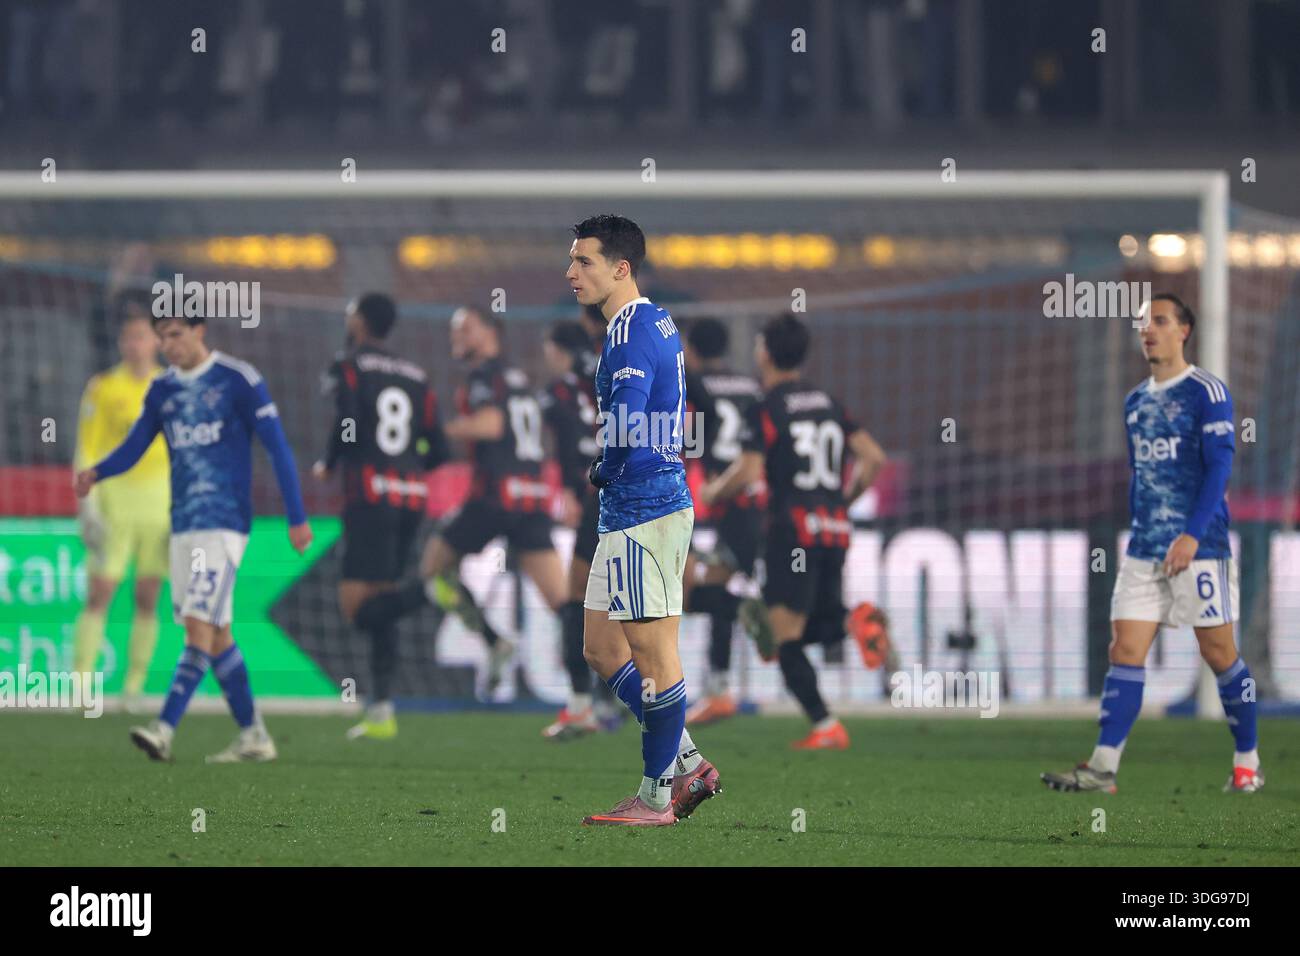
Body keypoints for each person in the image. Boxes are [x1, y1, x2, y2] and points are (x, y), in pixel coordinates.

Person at [1042, 294, 1260, 794]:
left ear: (1184, 330)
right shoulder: (1135, 400)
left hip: (1199, 547)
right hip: (1145, 549)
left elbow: (1219, 469)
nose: (1148, 330)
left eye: (1160, 321)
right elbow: (1142, 474)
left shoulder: (1207, 391)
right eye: (1143, 322)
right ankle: (1103, 767)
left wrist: (1191, 534)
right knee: (1125, 648)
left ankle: (1247, 760)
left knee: (1220, 653)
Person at [74, 313, 312, 763]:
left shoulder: (238, 380)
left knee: (199, 627)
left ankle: (163, 730)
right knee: (217, 632)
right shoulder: (163, 390)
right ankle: (254, 735)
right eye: (162, 337)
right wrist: (97, 472)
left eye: (176, 335)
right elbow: (136, 445)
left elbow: (277, 447)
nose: (168, 345)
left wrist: (296, 517)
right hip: (181, 525)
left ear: (200, 332)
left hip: (222, 526)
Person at [566, 214, 720, 826]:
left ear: (619, 267)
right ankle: (689, 761)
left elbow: (628, 415)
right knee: (602, 649)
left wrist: (604, 465)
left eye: (584, 262)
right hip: (635, 510)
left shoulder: (628, 329)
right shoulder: (656, 318)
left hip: (642, 510)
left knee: (655, 659)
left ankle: (656, 799)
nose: (571, 272)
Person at [701, 313, 886, 750]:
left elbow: (748, 471)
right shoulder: (829, 401)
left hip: (792, 532)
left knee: (782, 638)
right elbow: (873, 457)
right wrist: (842, 502)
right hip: (834, 529)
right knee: (813, 627)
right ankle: (852, 621)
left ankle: (825, 727)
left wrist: (713, 491)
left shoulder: (766, 408)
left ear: (764, 351)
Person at [313, 293, 448, 740]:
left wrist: (331, 461)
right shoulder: (417, 375)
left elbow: (346, 422)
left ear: (361, 321)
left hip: (370, 495)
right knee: (383, 605)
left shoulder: (349, 365)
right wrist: (409, 469)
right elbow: (439, 448)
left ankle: (432, 594)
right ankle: (382, 710)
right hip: (410, 498)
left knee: (357, 609)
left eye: (351, 312)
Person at [73, 294, 170, 712]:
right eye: (127, 337)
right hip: (115, 501)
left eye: (141, 337)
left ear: (156, 342)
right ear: (120, 343)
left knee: (148, 596)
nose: (134, 345)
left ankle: (133, 688)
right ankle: (80, 686)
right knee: (100, 593)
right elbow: (86, 448)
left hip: (160, 503)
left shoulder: (170, 386)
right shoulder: (103, 387)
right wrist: (87, 506)